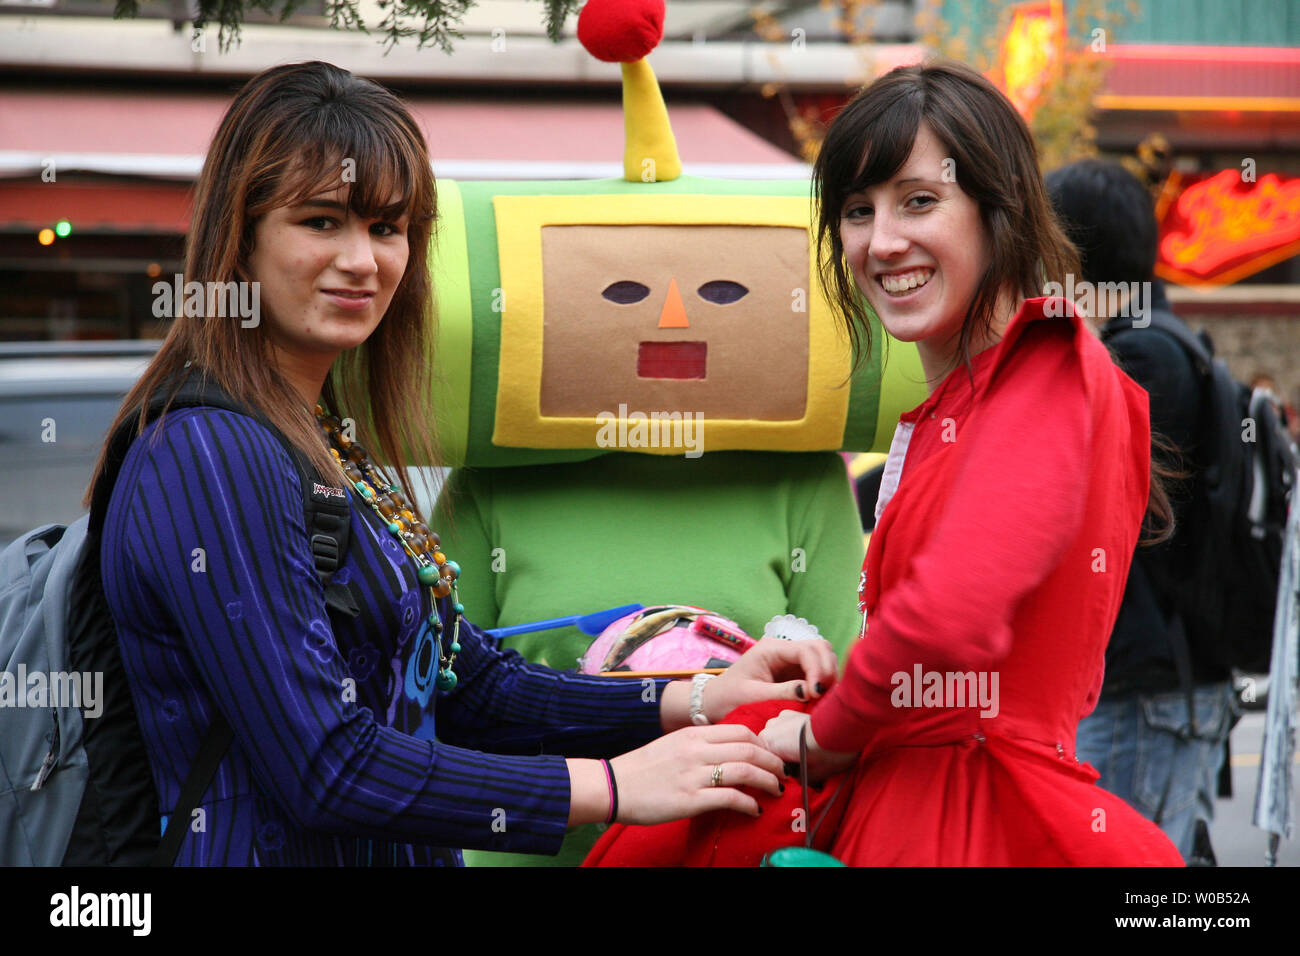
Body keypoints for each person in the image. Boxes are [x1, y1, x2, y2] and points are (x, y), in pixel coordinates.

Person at [85, 60, 837, 866]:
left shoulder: (320, 436)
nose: (362, 260)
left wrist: (701, 697)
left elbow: (472, 685)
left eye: (386, 227)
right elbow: (326, 768)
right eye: (320, 221)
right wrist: (613, 788)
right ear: (239, 242)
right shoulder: (207, 451)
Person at [755, 60, 1185, 865]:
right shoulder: (957, 404)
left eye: (919, 200)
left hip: (969, 816)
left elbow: (948, 616)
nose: (882, 242)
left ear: (999, 209)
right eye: (857, 210)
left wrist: (826, 733)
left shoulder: (1046, 359)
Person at [1046, 159, 1235, 865]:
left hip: (1145, 682)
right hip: (1171, 677)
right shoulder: (1172, 338)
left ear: (1076, 250)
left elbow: (1066, 493)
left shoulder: (1138, 358)